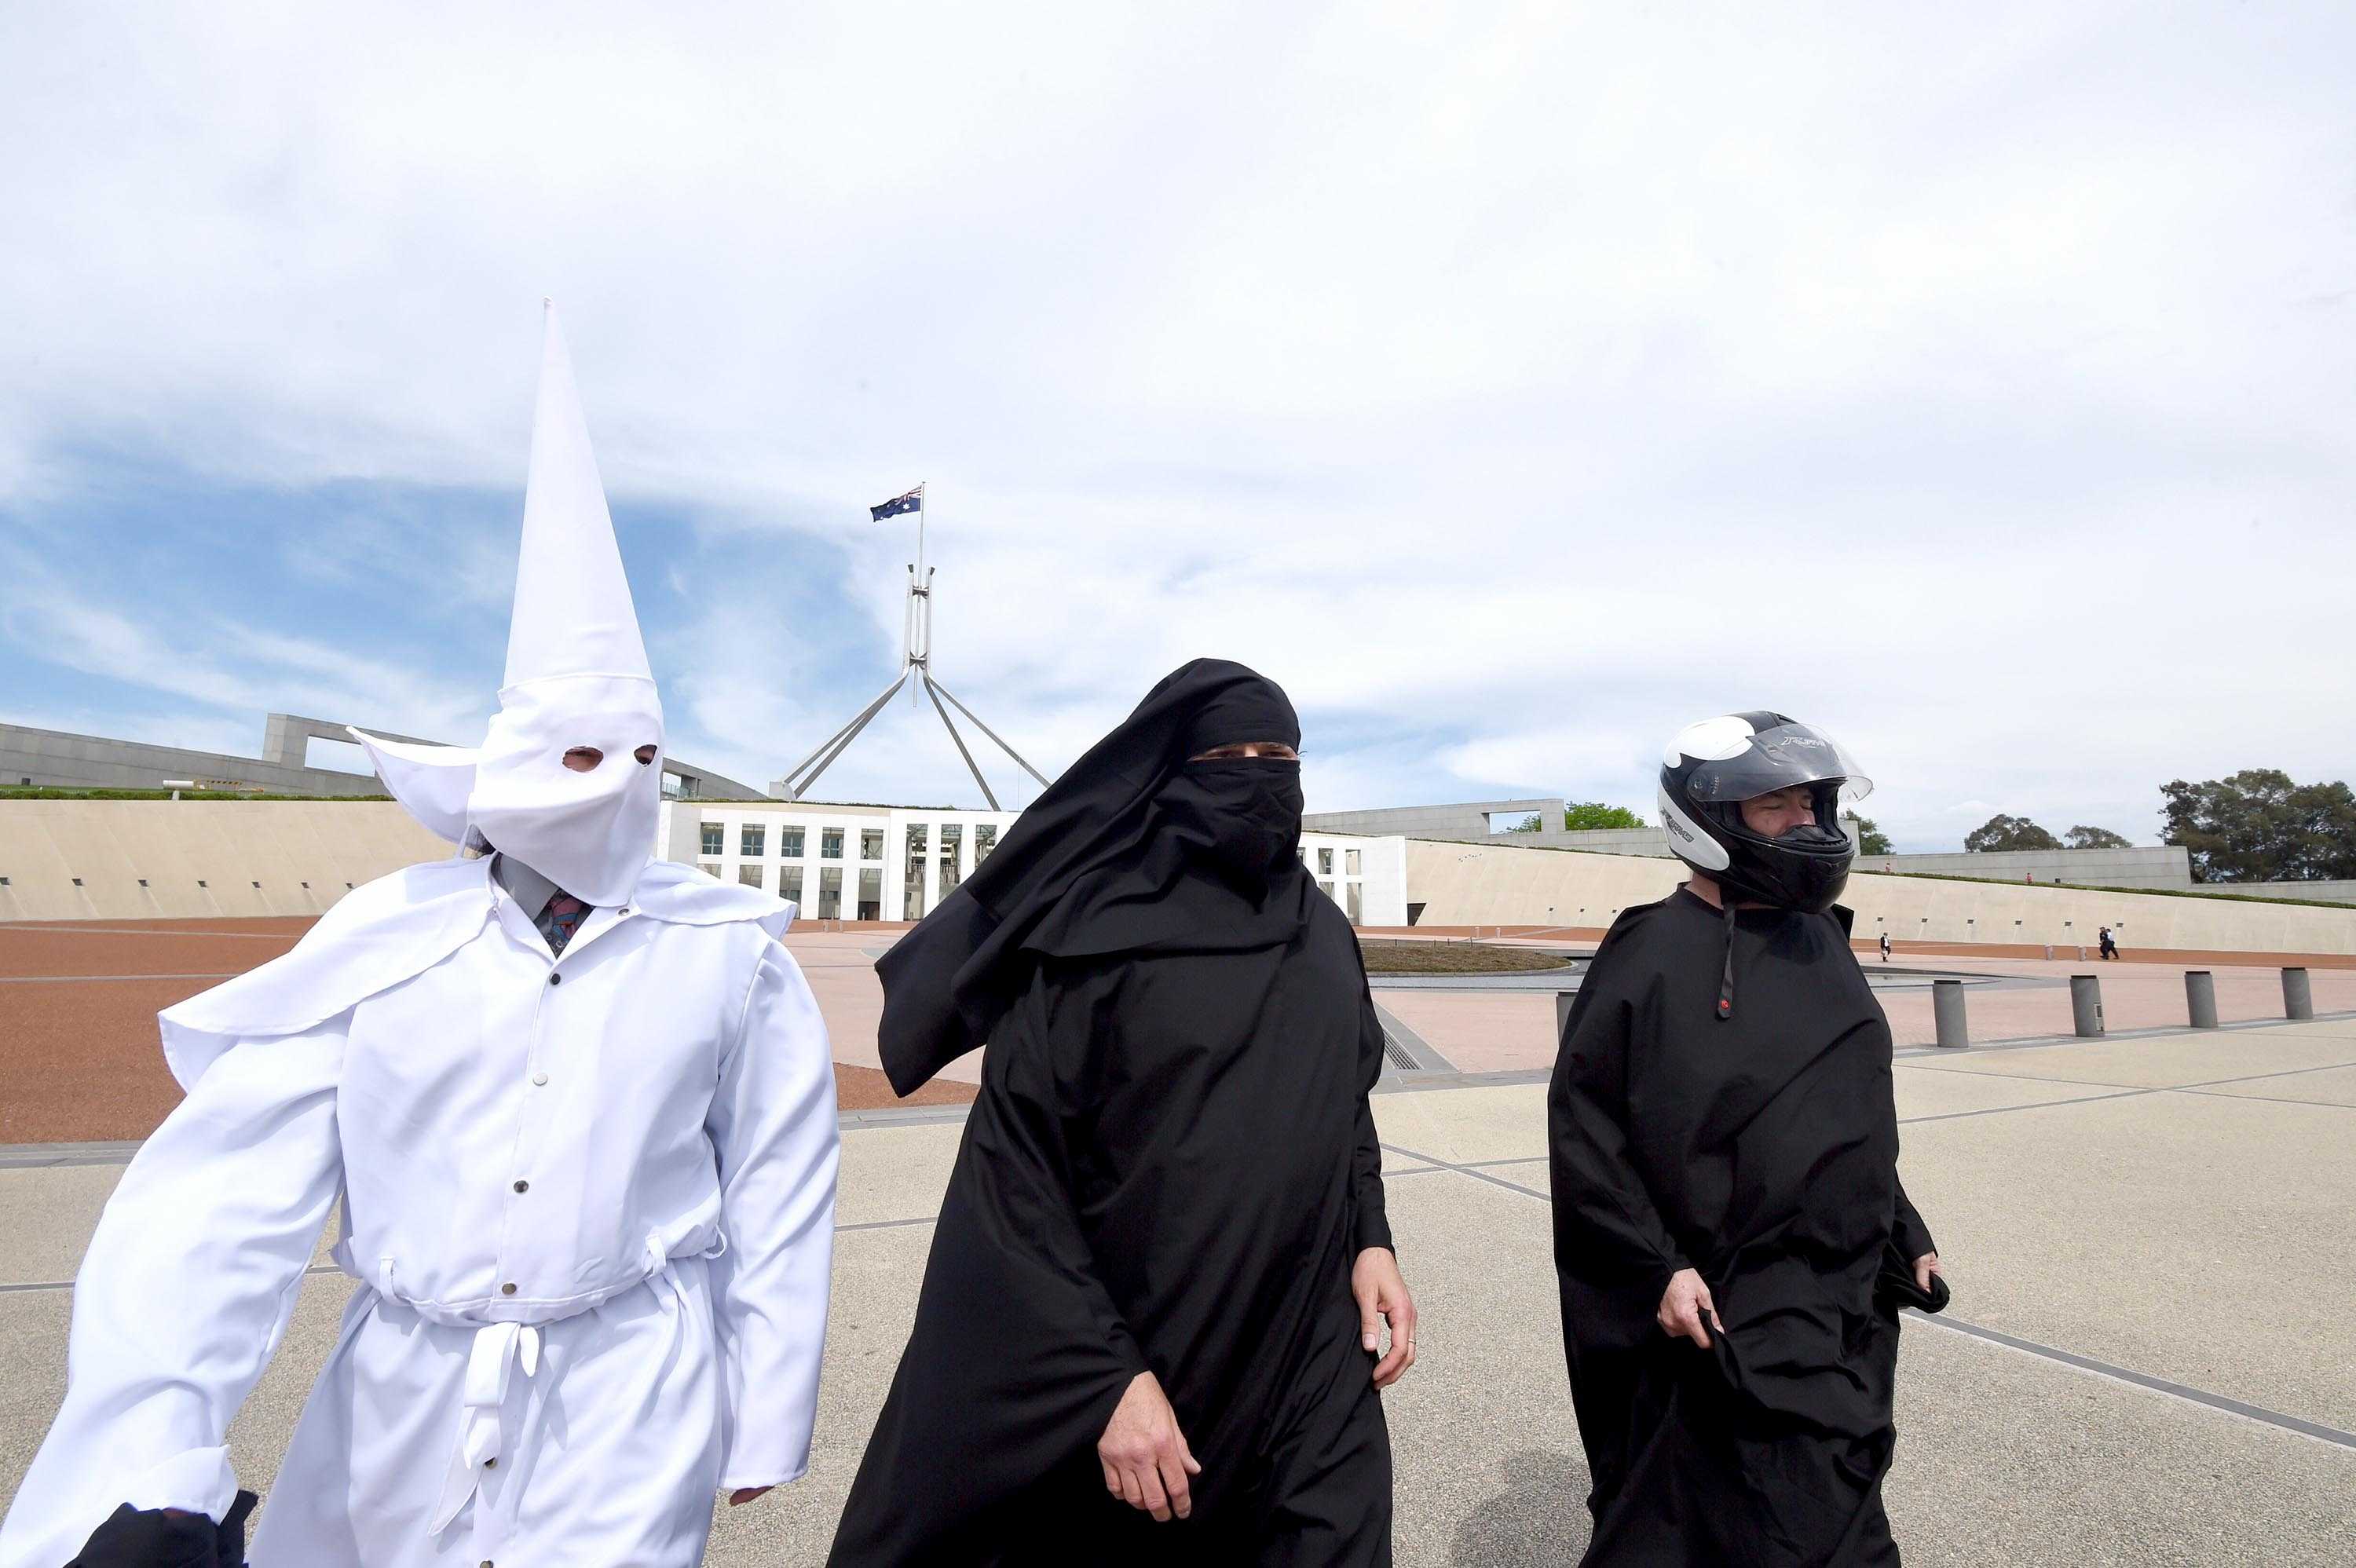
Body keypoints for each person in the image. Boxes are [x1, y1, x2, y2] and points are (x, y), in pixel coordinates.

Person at [0, 305, 840, 1568]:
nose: (618, 786)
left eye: (646, 759)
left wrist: (766, 1407)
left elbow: (780, 1182)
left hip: (633, 1395)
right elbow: (219, 1209)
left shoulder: (729, 956)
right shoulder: (382, 942)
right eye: (580, 755)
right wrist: (153, 1456)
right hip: (396, 1399)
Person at [827, 659, 1415, 1566]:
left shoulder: (1321, 931)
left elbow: (1343, 1105)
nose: (1260, 776)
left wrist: (1371, 1236)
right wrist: (1106, 1379)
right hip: (1150, 1347)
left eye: (1280, 755)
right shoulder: (1092, 937)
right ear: (1177, 769)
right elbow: (1014, 1181)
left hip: (1309, 1356)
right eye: (1233, 754)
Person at [1549, 712, 1943, 1566]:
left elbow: (1849, 1112)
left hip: (1840, 1297)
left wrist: (1904, 1231)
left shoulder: (1821, 943)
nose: (1804, 820)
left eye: (1811, 800)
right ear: (1713, 817)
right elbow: (1586, 1130)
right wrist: (1652, 1264)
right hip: (1719, 1300)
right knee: (1772, 1521)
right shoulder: (1647, 952)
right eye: (1777, 804)